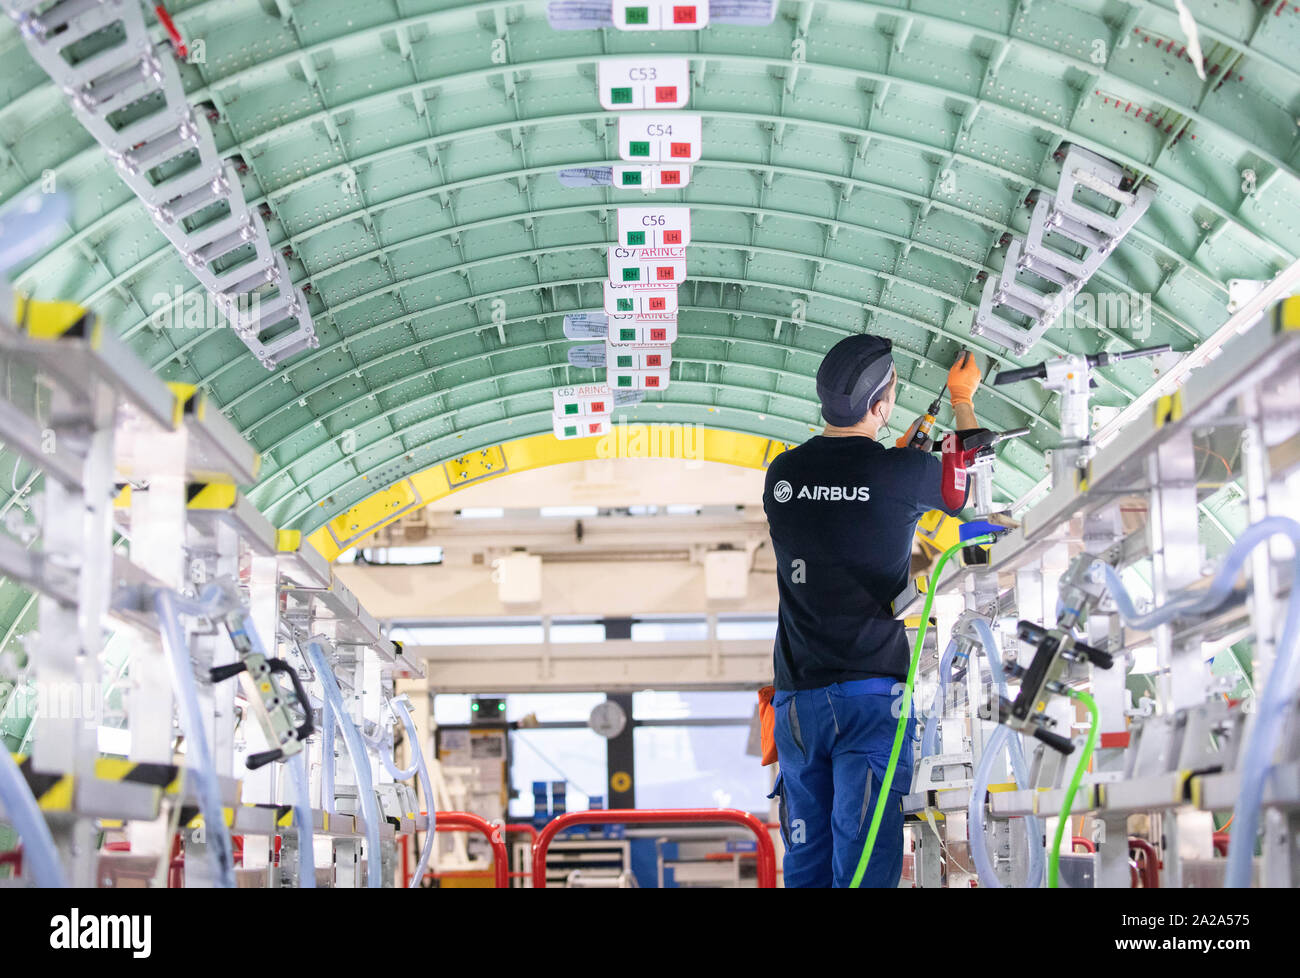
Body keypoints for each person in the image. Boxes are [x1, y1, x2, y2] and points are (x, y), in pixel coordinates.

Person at [762, 335, 981, 887]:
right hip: (868, 698)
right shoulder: (901, 475)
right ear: (880, 407)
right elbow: (962, 489)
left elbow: (846, 495)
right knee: (861, 862)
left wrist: (891, 464)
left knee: (806, 859)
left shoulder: (782, 476)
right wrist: (961, 398)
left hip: (796, 702)